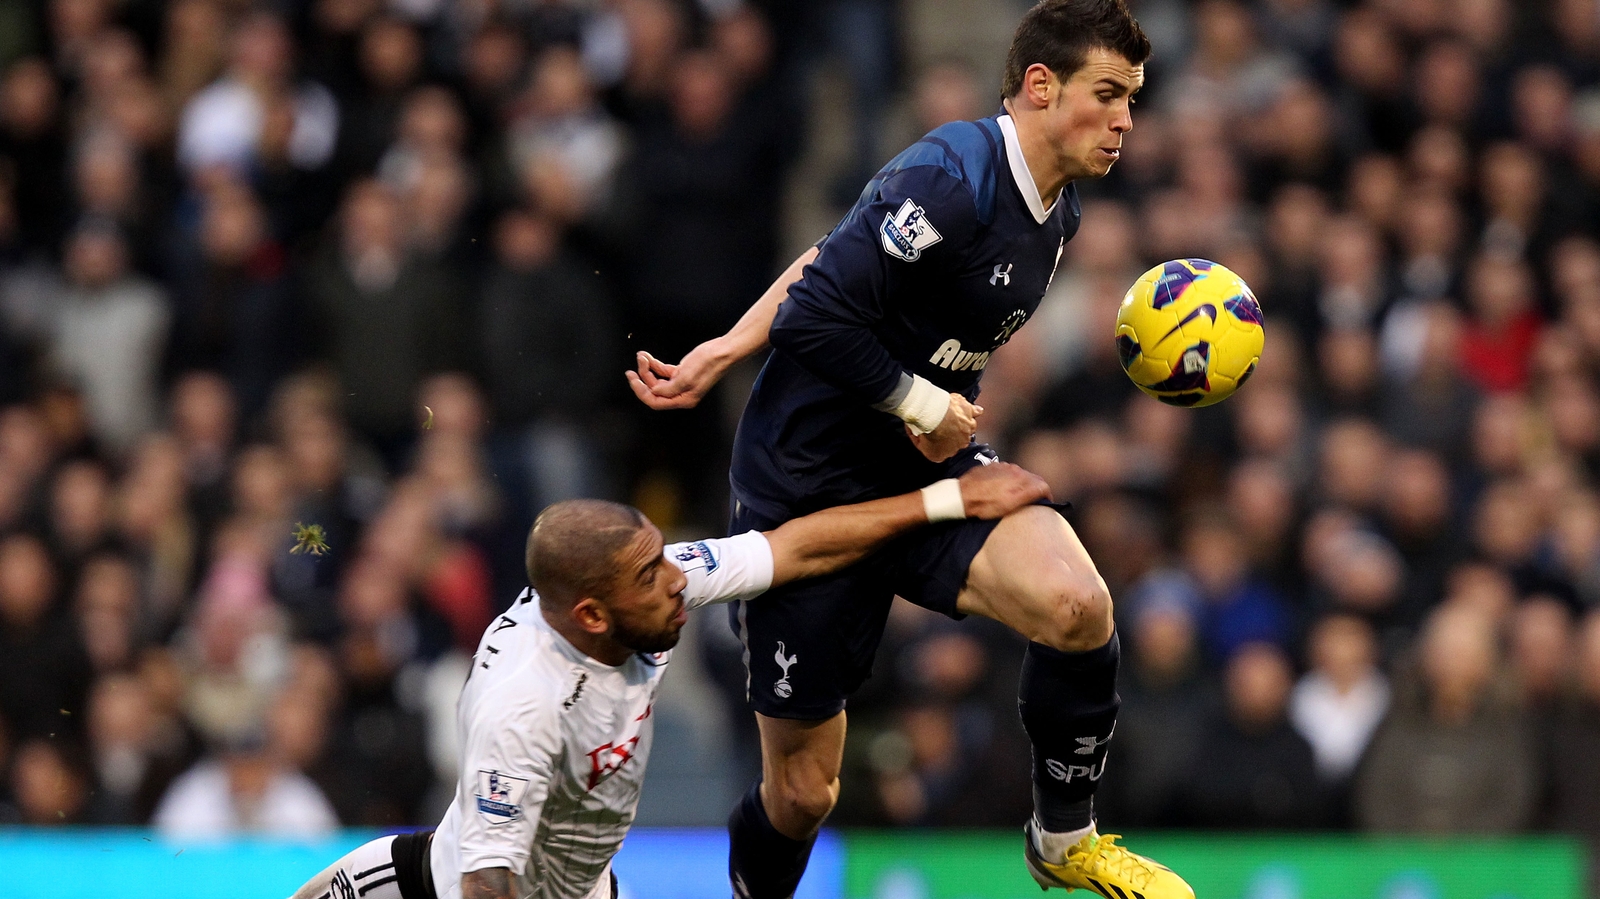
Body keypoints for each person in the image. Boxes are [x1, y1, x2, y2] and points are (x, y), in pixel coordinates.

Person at [627, 2, 1190, 896]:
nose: (1126, 118)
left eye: (1134, 98)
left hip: (924, 468)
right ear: (1041, 89)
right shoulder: (952, 176)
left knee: (1079, 606)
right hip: (805, 485)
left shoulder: (1058, 211)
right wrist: (920, 398)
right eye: (1109, 94)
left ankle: (1063, 839)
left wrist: (733, 344)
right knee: (804, 792)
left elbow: (837, 250)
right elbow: (820, 311)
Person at [285, 462, 1050, 899]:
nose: (676, 582)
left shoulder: (650, 586)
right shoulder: (522, 706)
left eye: (664, 559)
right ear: (591, 614)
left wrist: (949, 500)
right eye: (649, 577)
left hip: (583, 883)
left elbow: (795, 548)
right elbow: (489, 882)